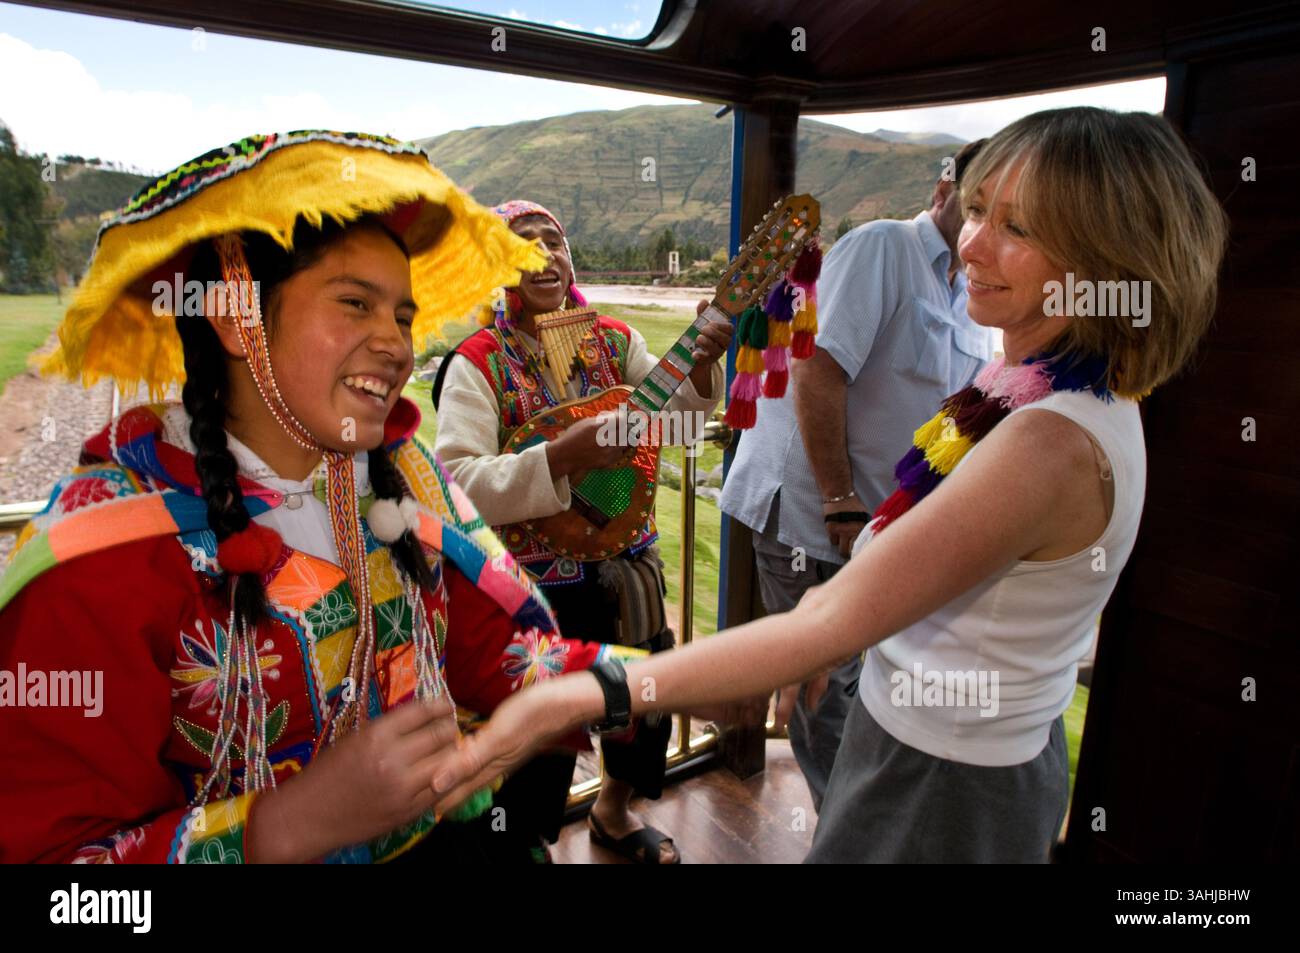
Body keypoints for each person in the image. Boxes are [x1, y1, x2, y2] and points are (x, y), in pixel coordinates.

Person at [424, 107, 1230, 863]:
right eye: (978, 209)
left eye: (1016, 226)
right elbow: (901, 567)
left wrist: (578, 695)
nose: (974, 244)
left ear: (1110, 262)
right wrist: (846, 628)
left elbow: (827, 593)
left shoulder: (1050, 438)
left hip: (944, 772)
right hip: (919, 733)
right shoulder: (1025, 382)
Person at [0, 131, 640, 864]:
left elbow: (502, 657)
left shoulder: (409, 476)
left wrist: (653, 682)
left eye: (401, 315)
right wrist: (283, 823)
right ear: (238, 316)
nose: (397, 345)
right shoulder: (99, 558)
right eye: (354, 303)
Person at [432, 199, 731, 863]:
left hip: (626, 563)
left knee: (639, 700)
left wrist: (703, 360)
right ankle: (527, 843)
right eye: (524, 242)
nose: (544, 252)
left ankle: (611, 809)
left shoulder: (614, 341)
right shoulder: (476, 363)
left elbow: (679, 410)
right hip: (531, 588)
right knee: (537, 727)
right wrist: (559, 458)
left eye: (555, 240)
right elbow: (455, 482)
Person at [721, 138, 993, 809]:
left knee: (860, 683)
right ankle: (849, 833)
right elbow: (819, 368)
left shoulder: (969, 293)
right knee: (825, 692)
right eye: (978, 202)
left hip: (879, 529)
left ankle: (857, 825)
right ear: (942, 191)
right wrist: (840, 500)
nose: (986, 225)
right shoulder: (884, 249)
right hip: (815, 518)